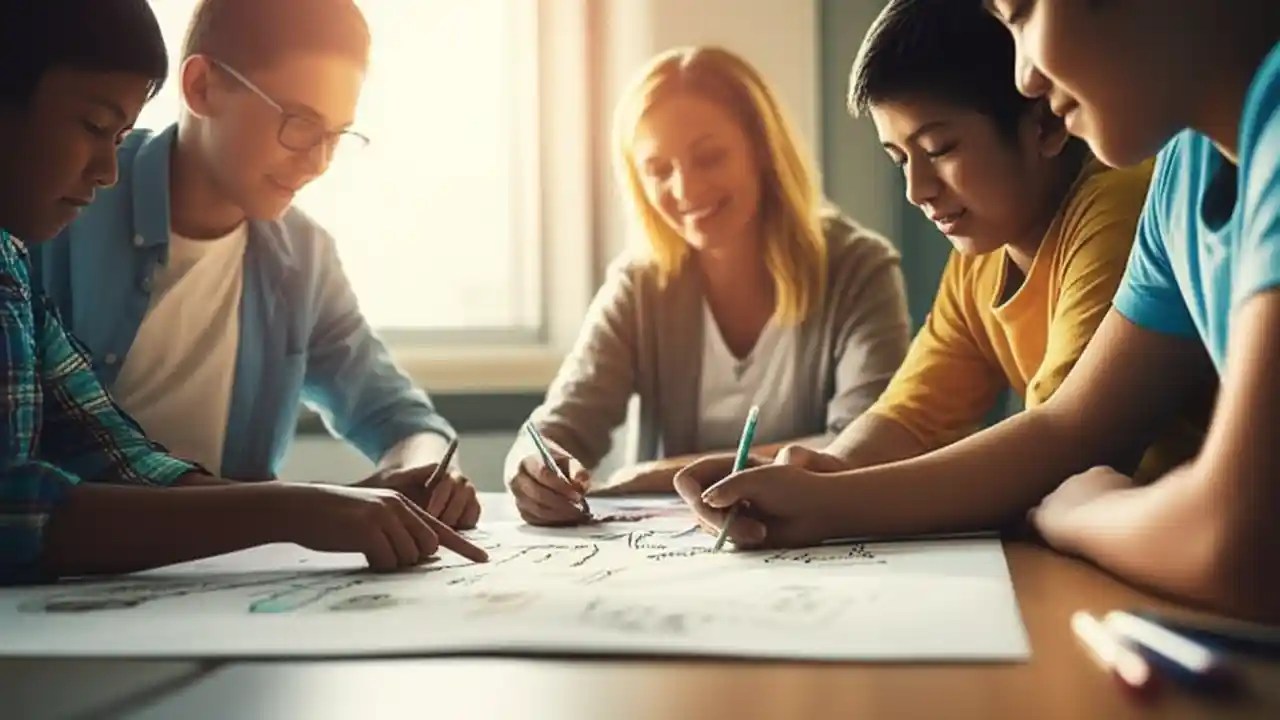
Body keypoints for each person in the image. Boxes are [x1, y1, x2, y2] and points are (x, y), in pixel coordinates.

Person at [680, 0, 1280, 621]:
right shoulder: (1180, 175)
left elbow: (1088, 475)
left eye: (1021, 15)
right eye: (899, 160)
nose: (1026, 78)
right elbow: (1041, 428)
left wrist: (1079, 509)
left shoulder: (1121, 199)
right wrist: (822, 484)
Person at [0, 0, 485, 584]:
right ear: (202, 87)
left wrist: (398, 482)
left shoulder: (302, 258)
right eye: (301, 123)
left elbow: (110, 449)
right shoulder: (48, 210)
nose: (320, 161)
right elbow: (21, 503)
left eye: (337, 135)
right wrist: (289, 508)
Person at [505, 46, 911, 526]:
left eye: (710, 157)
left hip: (816, 540)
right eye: (659, 170)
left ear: (763, 151)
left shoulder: (860, 269)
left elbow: (864, 444)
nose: (686, 190)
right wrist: (532, 471)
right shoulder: (639, 286)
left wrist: (665, 474)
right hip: (676, 555)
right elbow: (554, 431)